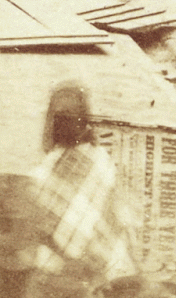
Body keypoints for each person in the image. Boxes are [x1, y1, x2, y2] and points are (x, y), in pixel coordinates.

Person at [23, 82, 139, 298]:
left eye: (71, 115)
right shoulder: (43, 172)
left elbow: (120, 221)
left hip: (105, 279)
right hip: (60, 281)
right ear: (52, 121)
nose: (65, 121)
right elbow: (38, 232)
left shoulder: (101, 163)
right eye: (60, 116)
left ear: (83, 119)